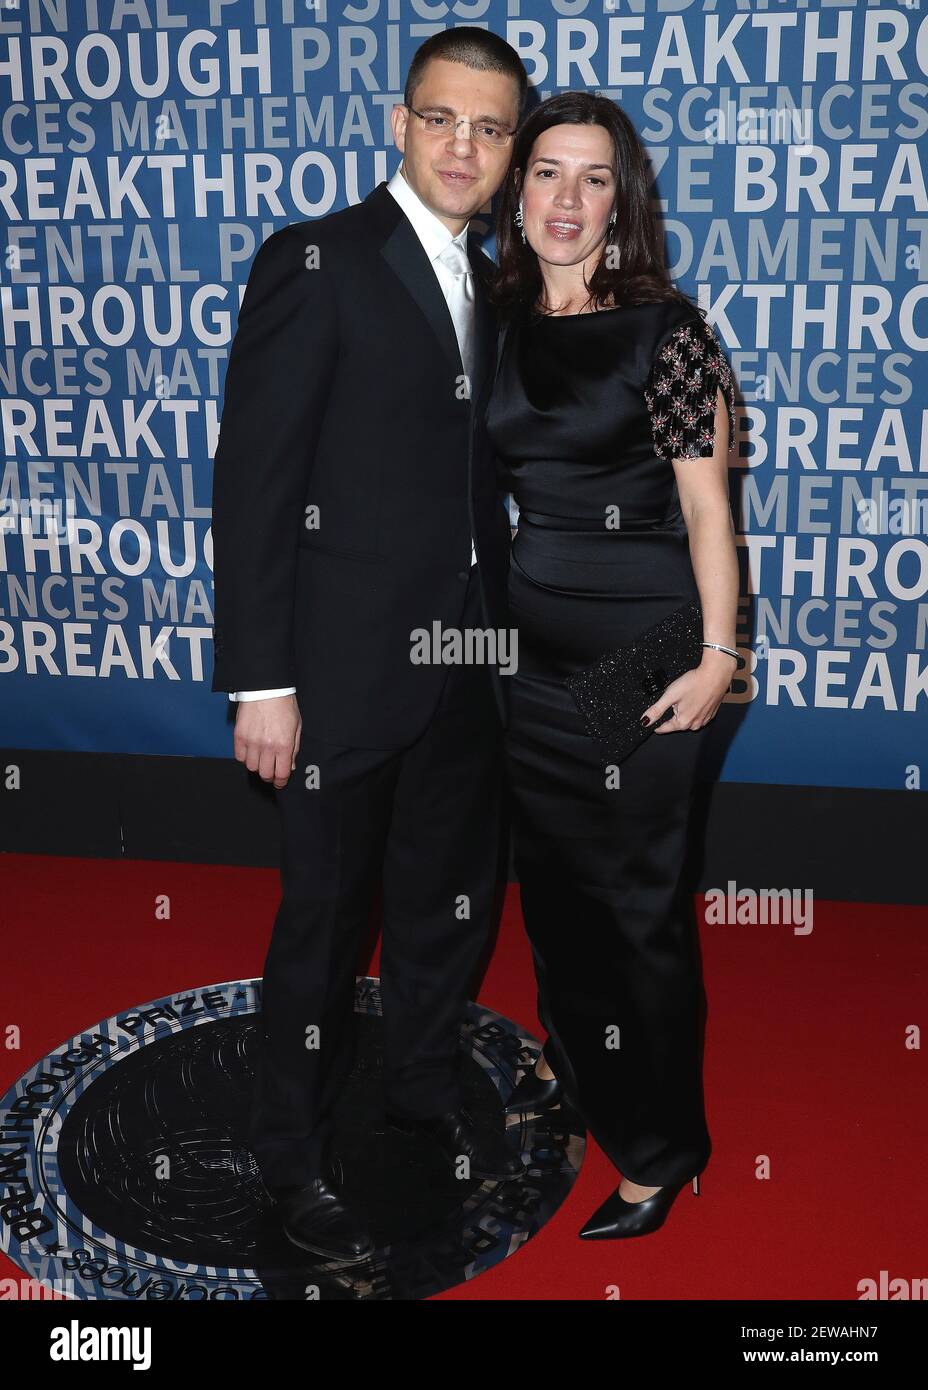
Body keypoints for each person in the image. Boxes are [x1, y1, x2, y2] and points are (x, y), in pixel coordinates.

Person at [210, 28, 528, 1262]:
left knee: (447, 899)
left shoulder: (493, 284)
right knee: (326, 922)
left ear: (508, 150)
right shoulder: (318, 260)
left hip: (465, 664)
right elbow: (256, 481)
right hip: (338, 674)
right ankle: (288, 1155)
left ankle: (420, 1089)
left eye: (490, 128)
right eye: (442, 118)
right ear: (399, 123)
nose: (463, 146)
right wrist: (263, 680)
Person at [485, 91, 741, 1239]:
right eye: (547, 171)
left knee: (634, 913)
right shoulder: (494, 319)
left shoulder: (665, 333)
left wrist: (719, 651)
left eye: (594, 178)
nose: (567, 198)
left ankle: (661, 1149)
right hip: (528, 656)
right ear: (517, 191)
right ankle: (577, 1065)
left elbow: (708, 510)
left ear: (621, 202)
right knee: (553, 896)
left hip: (644, 656)